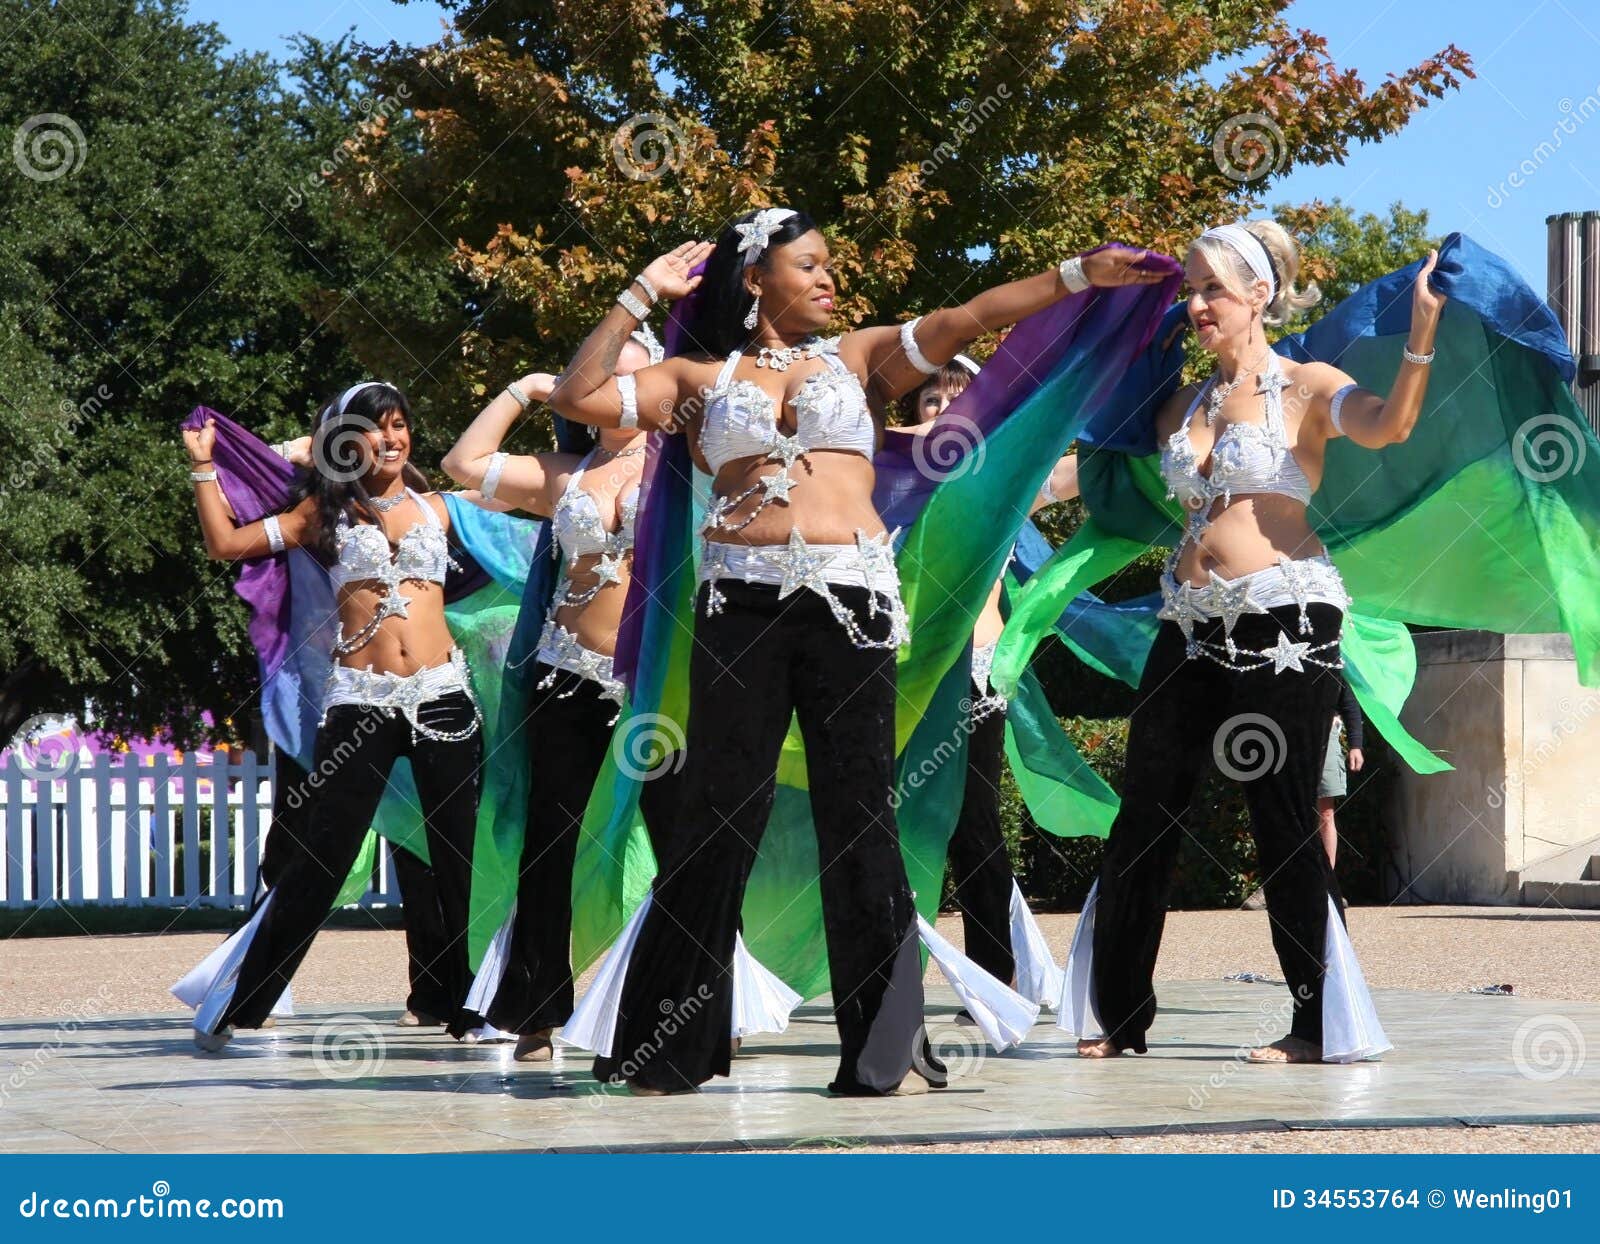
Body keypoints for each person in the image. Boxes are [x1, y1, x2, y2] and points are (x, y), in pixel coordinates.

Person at [547, 209, 1161, 1095]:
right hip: (738, 608)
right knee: (719, 814)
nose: (831, 277)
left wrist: (1078, 274)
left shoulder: (861, 356)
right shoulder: (696, 380)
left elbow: (974, 316)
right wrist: (639, 295)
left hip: (852, 604)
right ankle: (668, 1047)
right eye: (810, 264)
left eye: (832, 263)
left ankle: (883, 1051)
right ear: (757, 279)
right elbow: (577, 395)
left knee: (858, 816)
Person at [1063, 219, 1442, 1065]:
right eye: (1191, 289)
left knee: (1282, 815)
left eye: (1214, 290)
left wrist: (1420, 332)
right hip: (1189, 622)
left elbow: (1387, 427)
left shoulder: (1305, 385)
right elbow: (1079, 469)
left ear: (1260, 295)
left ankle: (1316, 1024)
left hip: (1287, 618)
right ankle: (1121, 1016)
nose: (1197, 305)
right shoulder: (1178, 402)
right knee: (1146, 810)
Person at [180, 382, 484, 1050]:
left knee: (459, 859)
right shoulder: (322, 515)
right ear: (348, 443)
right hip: (360, 703)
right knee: (320, 859)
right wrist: (205, 465)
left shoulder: (443, 508)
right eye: (376, 429)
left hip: (444, 699)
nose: (393, 439)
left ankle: (469, 1009)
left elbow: (505, 487)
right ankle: (243, 1008)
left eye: (401, 425)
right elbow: (226, 545)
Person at [893, 357, 1078, 1004]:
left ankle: (995, 976)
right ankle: (886, 977)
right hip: (901, 674)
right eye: (928, 401)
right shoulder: (894, 483)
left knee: (972, 822)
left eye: (956, 399)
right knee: (888, 819)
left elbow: (1076, 470)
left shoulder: (999, 482)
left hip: (973, 671)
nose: (941, 410)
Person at [1318, 674, 1365, 867]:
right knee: (1289, 814)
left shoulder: (1329, 654)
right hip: (1287, 737)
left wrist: (1356, 745)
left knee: (1325, 813)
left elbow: (1349, 703)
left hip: (1325, 738)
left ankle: (1327, 882)